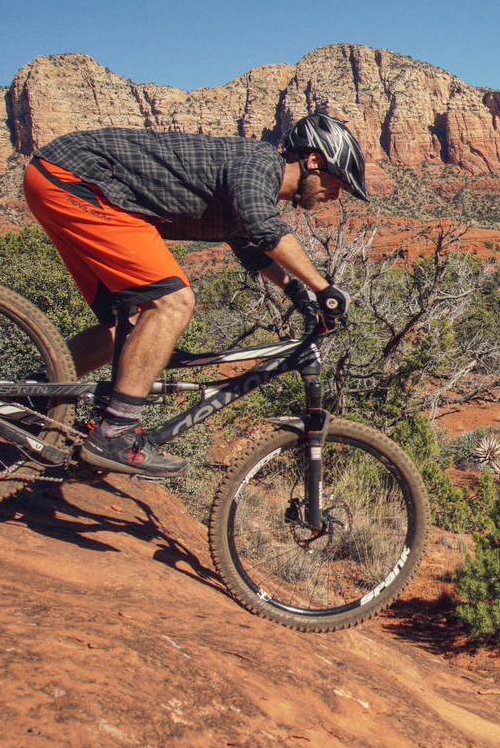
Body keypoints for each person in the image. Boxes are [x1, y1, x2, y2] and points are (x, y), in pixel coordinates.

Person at [22, 113, 364, 478]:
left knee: (132, 323)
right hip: (78, 180)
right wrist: (324, 289)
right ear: (313, 161)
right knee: (173, 301)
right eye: (338, 180)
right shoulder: (259, 163)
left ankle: (29, 399)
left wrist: (296, 292)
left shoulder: (251, 184)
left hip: (65, 181)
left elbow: (250, 246)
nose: (338, 193)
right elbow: (265, 229)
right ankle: (116, 432)